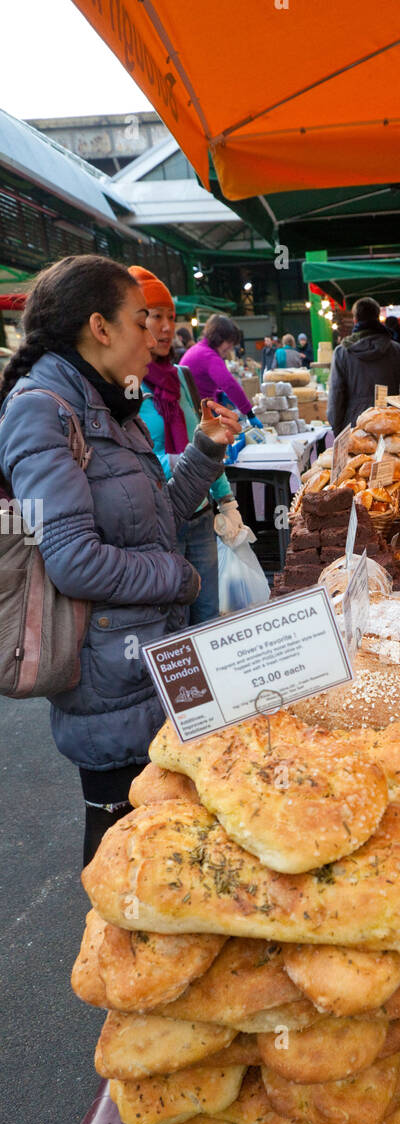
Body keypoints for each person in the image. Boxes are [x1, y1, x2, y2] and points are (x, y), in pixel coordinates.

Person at [0, 254, 240, 865]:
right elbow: (74, 560)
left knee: (167, 846)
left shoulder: (108, 402)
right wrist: (179, 577)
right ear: (99, 327)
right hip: (109, 672)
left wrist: (208, 451)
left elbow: (156, 519)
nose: (159, 336)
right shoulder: (43, 410)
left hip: (151, 657)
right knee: (122, 851)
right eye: (142, 320)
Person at [129, 265, 244, 625]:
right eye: (153, 316)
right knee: (173, 621)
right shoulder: (127, 385)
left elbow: (207, 440)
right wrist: (186, 461)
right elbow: (135, 460)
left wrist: (226, 501)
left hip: (201, 516)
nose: (164, 327)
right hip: (159, 520)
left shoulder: (184, 378)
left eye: (171, 317)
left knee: (208, 615)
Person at [327, 297, 400, 433]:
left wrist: (338, 429)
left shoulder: (342, 352)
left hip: (355, 426)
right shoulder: (397, 350)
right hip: (390, 426)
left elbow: (336, 396)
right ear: (378, 317)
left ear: (355, 320)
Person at [179, 314, 260, 422]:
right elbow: (229, 384)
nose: (231, 348)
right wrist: (249, 413)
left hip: (196, 409)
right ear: (218, 338)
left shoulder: (199, 349)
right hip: (199, 415)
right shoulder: (208, 355)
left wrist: (219, 394)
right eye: (229, 342)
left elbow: (200, 383)